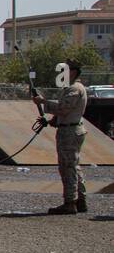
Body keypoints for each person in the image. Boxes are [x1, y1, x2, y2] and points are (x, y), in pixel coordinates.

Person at [33, 60, 89, 215]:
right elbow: (65, 113)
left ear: (73, 72)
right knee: (74, 166)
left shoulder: (74, 88)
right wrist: (50, 121)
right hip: (69, 128)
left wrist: (43, 101)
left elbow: (64, 108)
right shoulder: (70, 88)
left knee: (67, 167)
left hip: (70, 132)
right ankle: (80, 201)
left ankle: (70, 203)